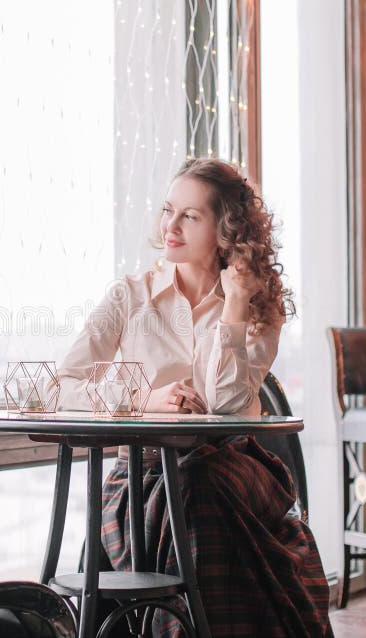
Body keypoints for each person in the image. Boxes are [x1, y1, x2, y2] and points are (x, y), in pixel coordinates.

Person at [55, 158, 332, 637]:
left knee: (200, 485)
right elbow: (63, 387)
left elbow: (226, 405)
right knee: (193, 493)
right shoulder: (128, 297)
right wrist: (148, 399)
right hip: (139, 475)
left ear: (225, 229)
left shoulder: (257, 306)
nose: (171, 225)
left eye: (190, 216)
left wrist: (236, 306)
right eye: (168, 210)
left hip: (232, 466)